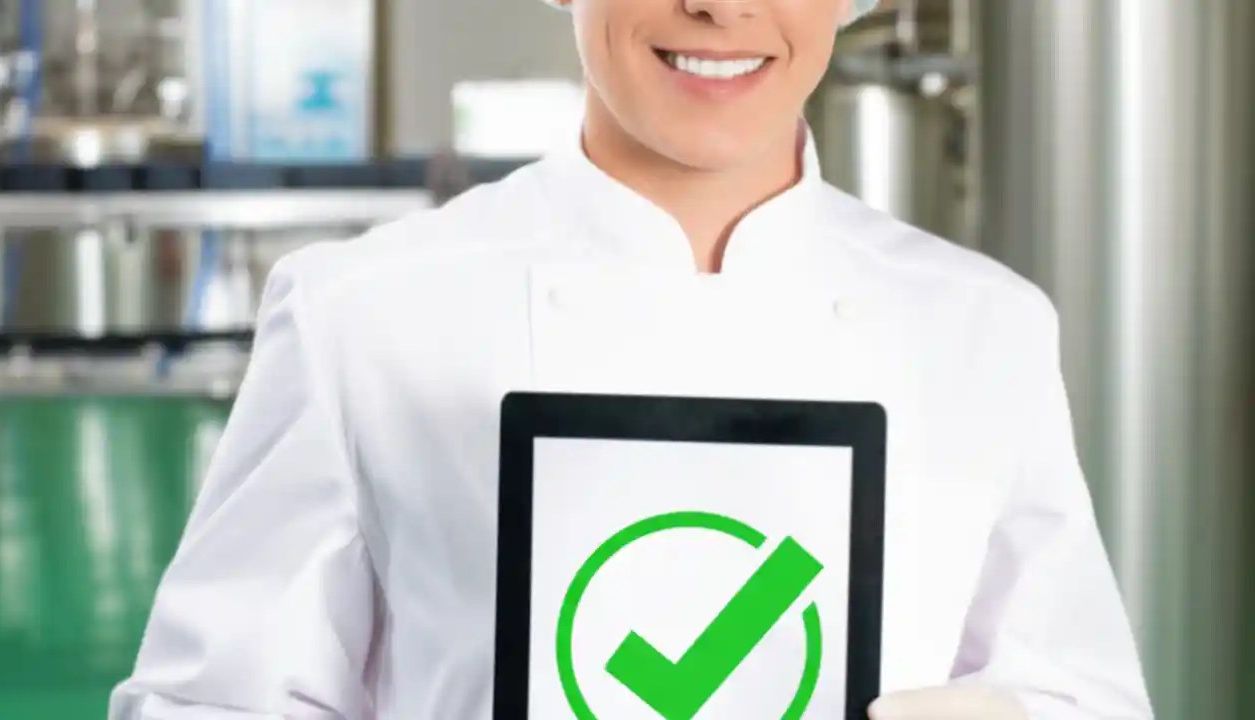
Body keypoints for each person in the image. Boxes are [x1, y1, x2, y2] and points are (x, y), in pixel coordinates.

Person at [110, 0, 1154, 717]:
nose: (717, 3)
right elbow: (209, 700)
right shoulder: (365, 313)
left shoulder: (979, 328)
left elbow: (1082, 692)